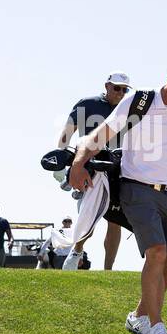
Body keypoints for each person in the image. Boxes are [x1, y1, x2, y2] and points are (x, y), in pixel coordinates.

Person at [68, 61, 167, 334]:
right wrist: (77, 162)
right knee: (157, 252)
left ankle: (139, 317)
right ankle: (157, 328)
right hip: (137, 189)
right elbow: (99, 136)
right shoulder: (140, 102)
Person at [57, 72, 131, 270]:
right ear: (107, 86)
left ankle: (108, 269)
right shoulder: (88, 103)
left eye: (124, 90)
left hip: (120, 168)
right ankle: (77, 250)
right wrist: (62, 160)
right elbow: (67, 132)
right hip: (90, 167)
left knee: (115, 220)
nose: (120, 93)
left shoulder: (129, 109)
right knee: (88, 217)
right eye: (116, 88)